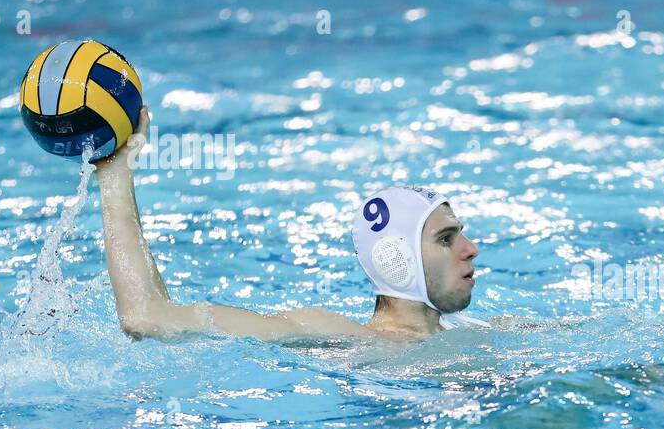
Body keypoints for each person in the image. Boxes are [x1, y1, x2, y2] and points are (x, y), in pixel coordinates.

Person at [93, 107, 482, 342]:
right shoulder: (335, 337)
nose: (471, 248)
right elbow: (147, 318)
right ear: (398, 258)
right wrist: (115, 177)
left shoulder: (477, 331)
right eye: (446, 239)